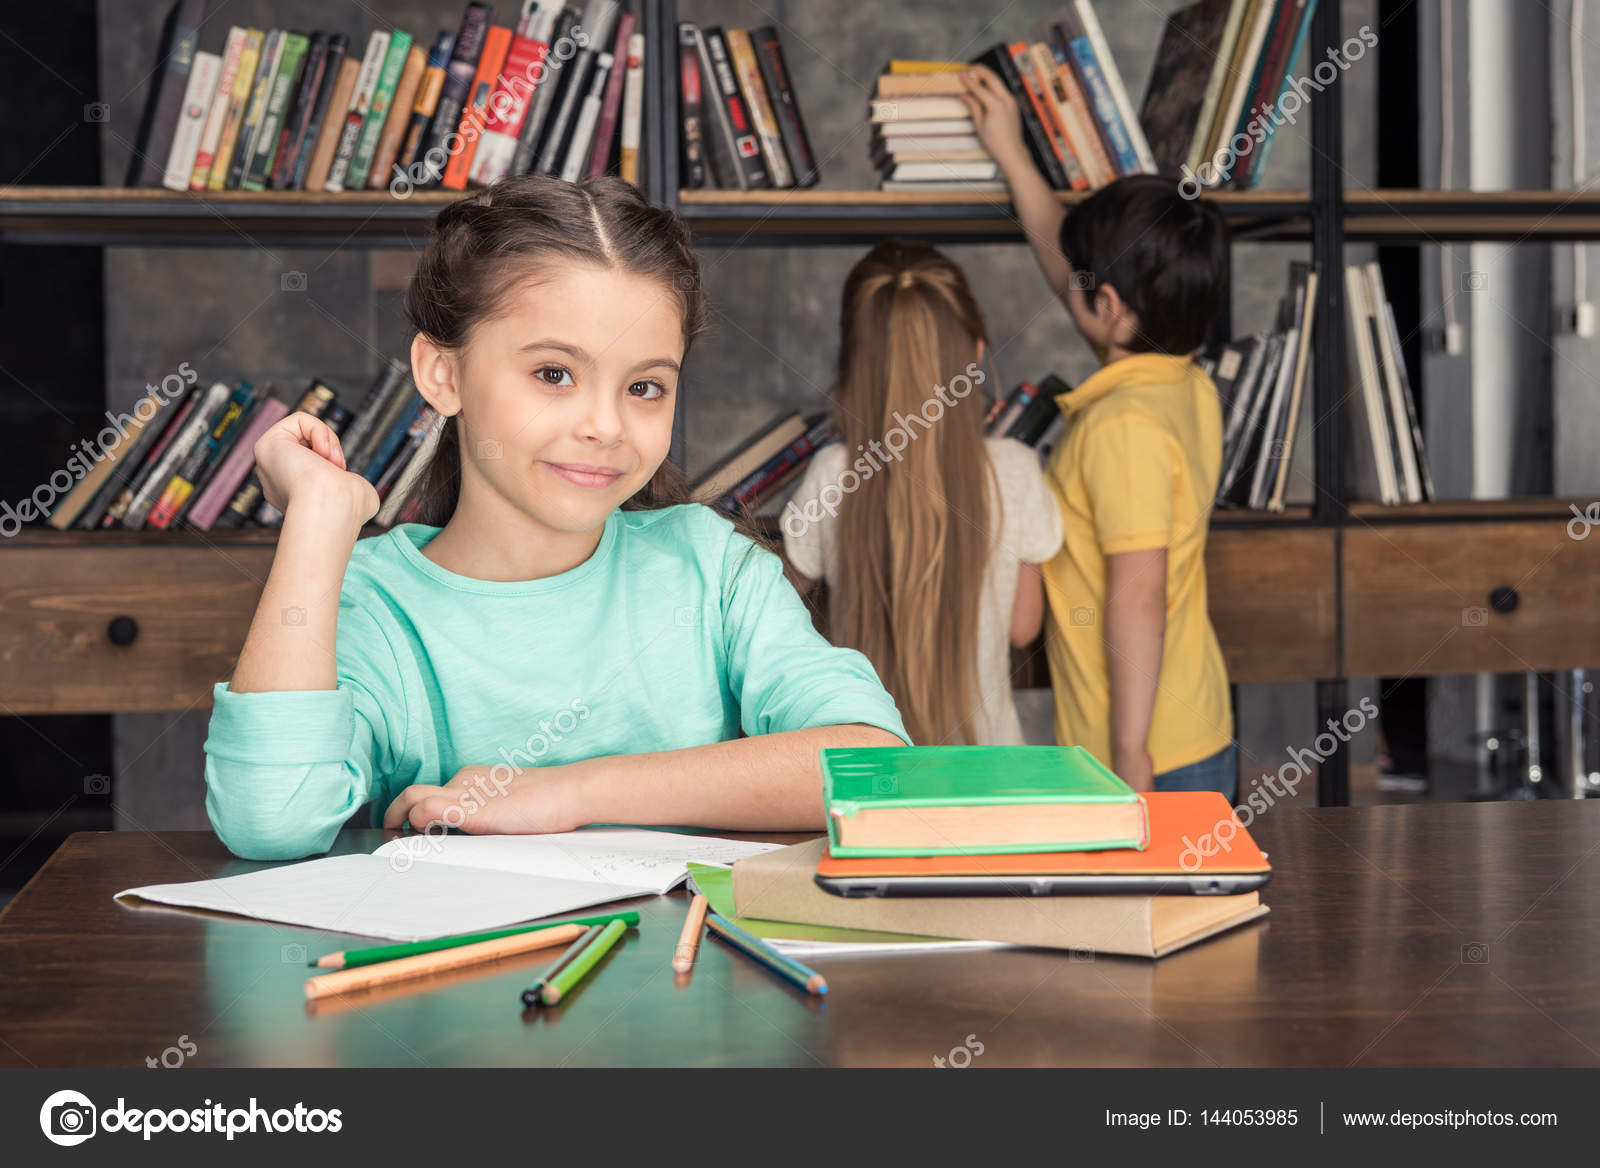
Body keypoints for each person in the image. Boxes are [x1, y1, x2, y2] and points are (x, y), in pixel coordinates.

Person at [203, 175, 909, 862]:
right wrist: (318, 521)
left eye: (645, 387)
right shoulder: (370, 604)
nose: (605, 425)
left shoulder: (712, 568)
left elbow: (873, 769)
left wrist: (567, 793)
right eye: (553, 374)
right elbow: (271, 819)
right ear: (442, 373)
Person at [961, 66, 1237, 798]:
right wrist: (1012, 151)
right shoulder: (1184, 381)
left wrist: (1131, 753)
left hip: (1151, 753)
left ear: (1111, 306)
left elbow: (1138, 594)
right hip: (1193, 722)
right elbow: (1077, 277)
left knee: (1157, 916)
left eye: (1087, 284)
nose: (1068, 285)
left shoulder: (1121, 427)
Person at [781, 240, 1062, 746]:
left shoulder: (833, 474)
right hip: (991, 778)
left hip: (868, 774)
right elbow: (1023, 629)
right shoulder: (1017, 472)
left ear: (852, 363)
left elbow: (776, 614)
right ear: (976, 353)